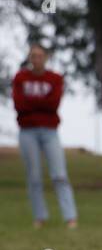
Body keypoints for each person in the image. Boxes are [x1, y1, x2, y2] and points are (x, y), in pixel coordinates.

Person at [12, 43, 77, 230]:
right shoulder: (20, 78)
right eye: (33, 55)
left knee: (59, 174)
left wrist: (32, 104)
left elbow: (53, 104)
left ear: (46, 58)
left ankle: (70, 217)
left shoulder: (55, 79)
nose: (36, 59)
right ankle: (39, 217)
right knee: (34, 176)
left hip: (50, 131)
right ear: (29, 58)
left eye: (40, 55)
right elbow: (19, 104)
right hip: (27, 132)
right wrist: (40, 104)